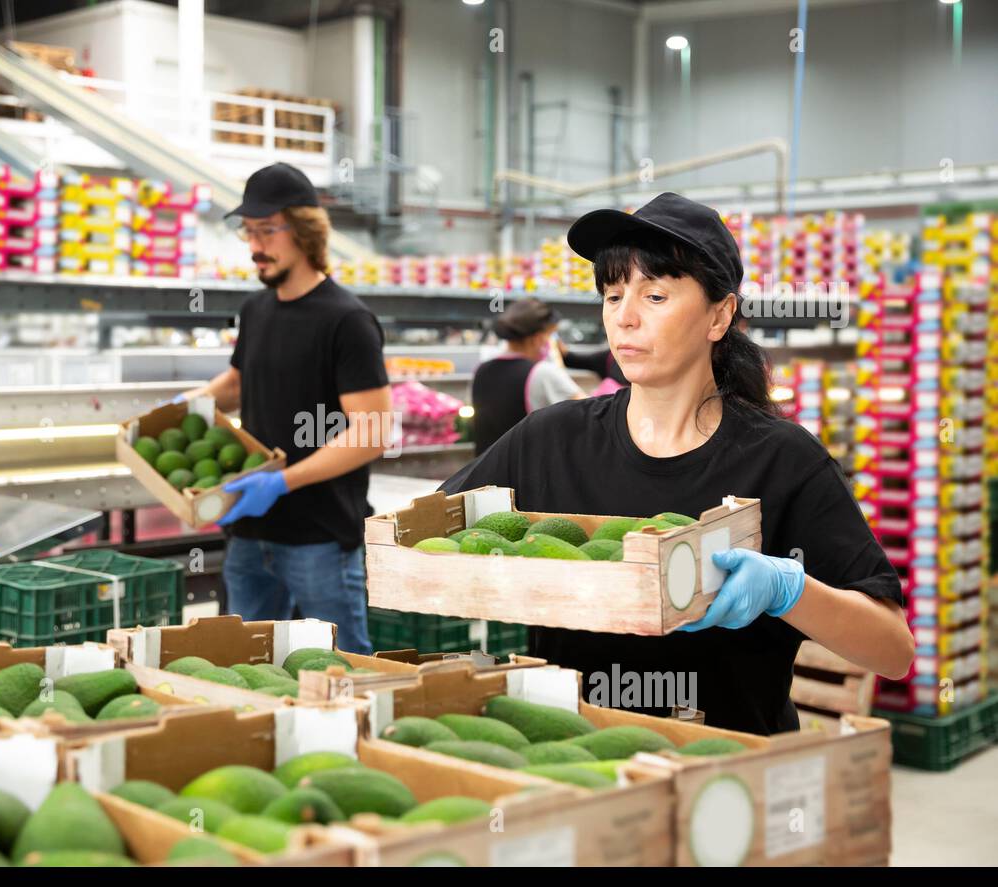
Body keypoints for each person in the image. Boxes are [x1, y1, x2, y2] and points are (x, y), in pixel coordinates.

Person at [439, 192, 913, 734]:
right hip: (577, 767)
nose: (625, 318)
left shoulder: (782, 460)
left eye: (656, 296)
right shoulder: (550, 439)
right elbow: (424, 530)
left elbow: (892, 650)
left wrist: (790, 590)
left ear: (719, 315)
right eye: (613, 296)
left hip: (729, 769)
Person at [185, 163, 391, 654]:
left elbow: (372, 431)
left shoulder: (347, 320)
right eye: (248, 232)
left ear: (304, 230)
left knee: (339, 668)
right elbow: (239, 381)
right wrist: (193, 405)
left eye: (267, 230)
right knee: (245, 663)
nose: (255, 246)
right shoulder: (256, 310)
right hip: (249, 532)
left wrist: (281, 481)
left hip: (318, 537)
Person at [469, 297, 586, 454]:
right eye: (550, 336)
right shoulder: (543, 373)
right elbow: (588, 415)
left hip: (486, 472)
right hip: (526, 474)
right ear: (537, 339)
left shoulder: (481, 370)